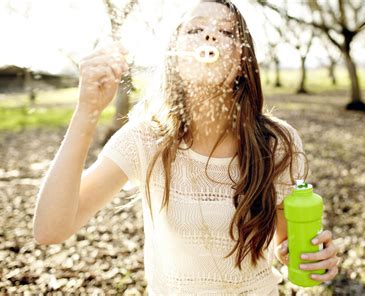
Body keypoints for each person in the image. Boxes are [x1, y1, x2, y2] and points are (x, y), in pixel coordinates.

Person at [33, 0, 340, 294]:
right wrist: (87, 112)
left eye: (228, 32)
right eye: (195, 29)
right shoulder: (145, 139)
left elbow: (286, 250)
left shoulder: (277, 144)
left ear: (243, 61)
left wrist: (309, 260)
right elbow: (50, 229)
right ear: (174, 56)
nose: (210, 34)